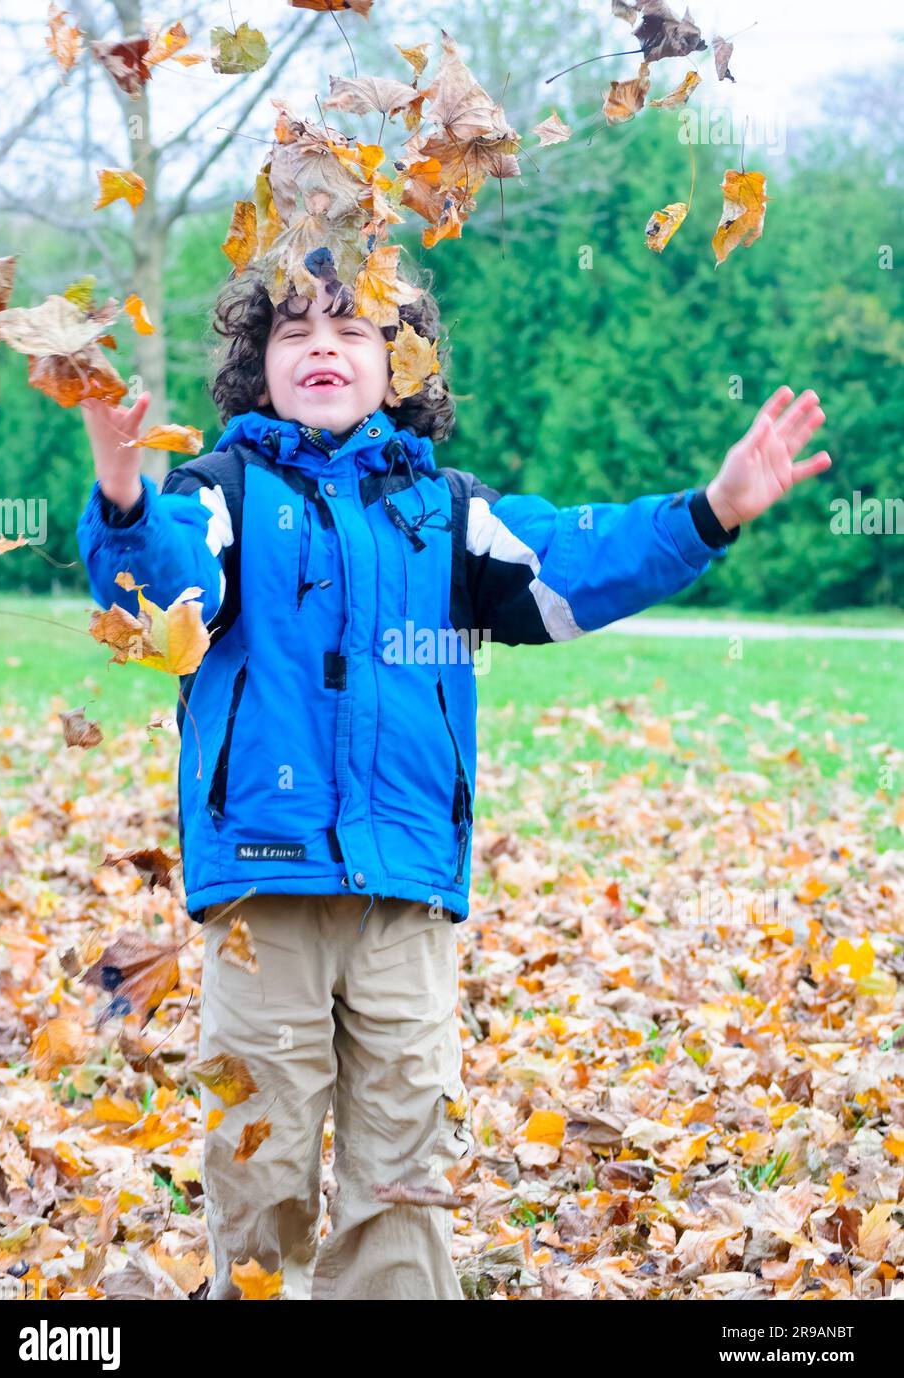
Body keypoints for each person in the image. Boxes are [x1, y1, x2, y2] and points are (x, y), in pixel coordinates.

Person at [76, 267, 829, 1299]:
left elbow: (575, 559)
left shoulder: (447, 514)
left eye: (352, 327)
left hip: (406, 887)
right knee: (260, 1150)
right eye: (292, 332)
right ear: (257, 368)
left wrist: (706, 512)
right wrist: (123, 503)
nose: (322, 346)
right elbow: (170, 590)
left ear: (403, 365)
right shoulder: (221, 494)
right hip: (263, 885)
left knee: (401, 1151)